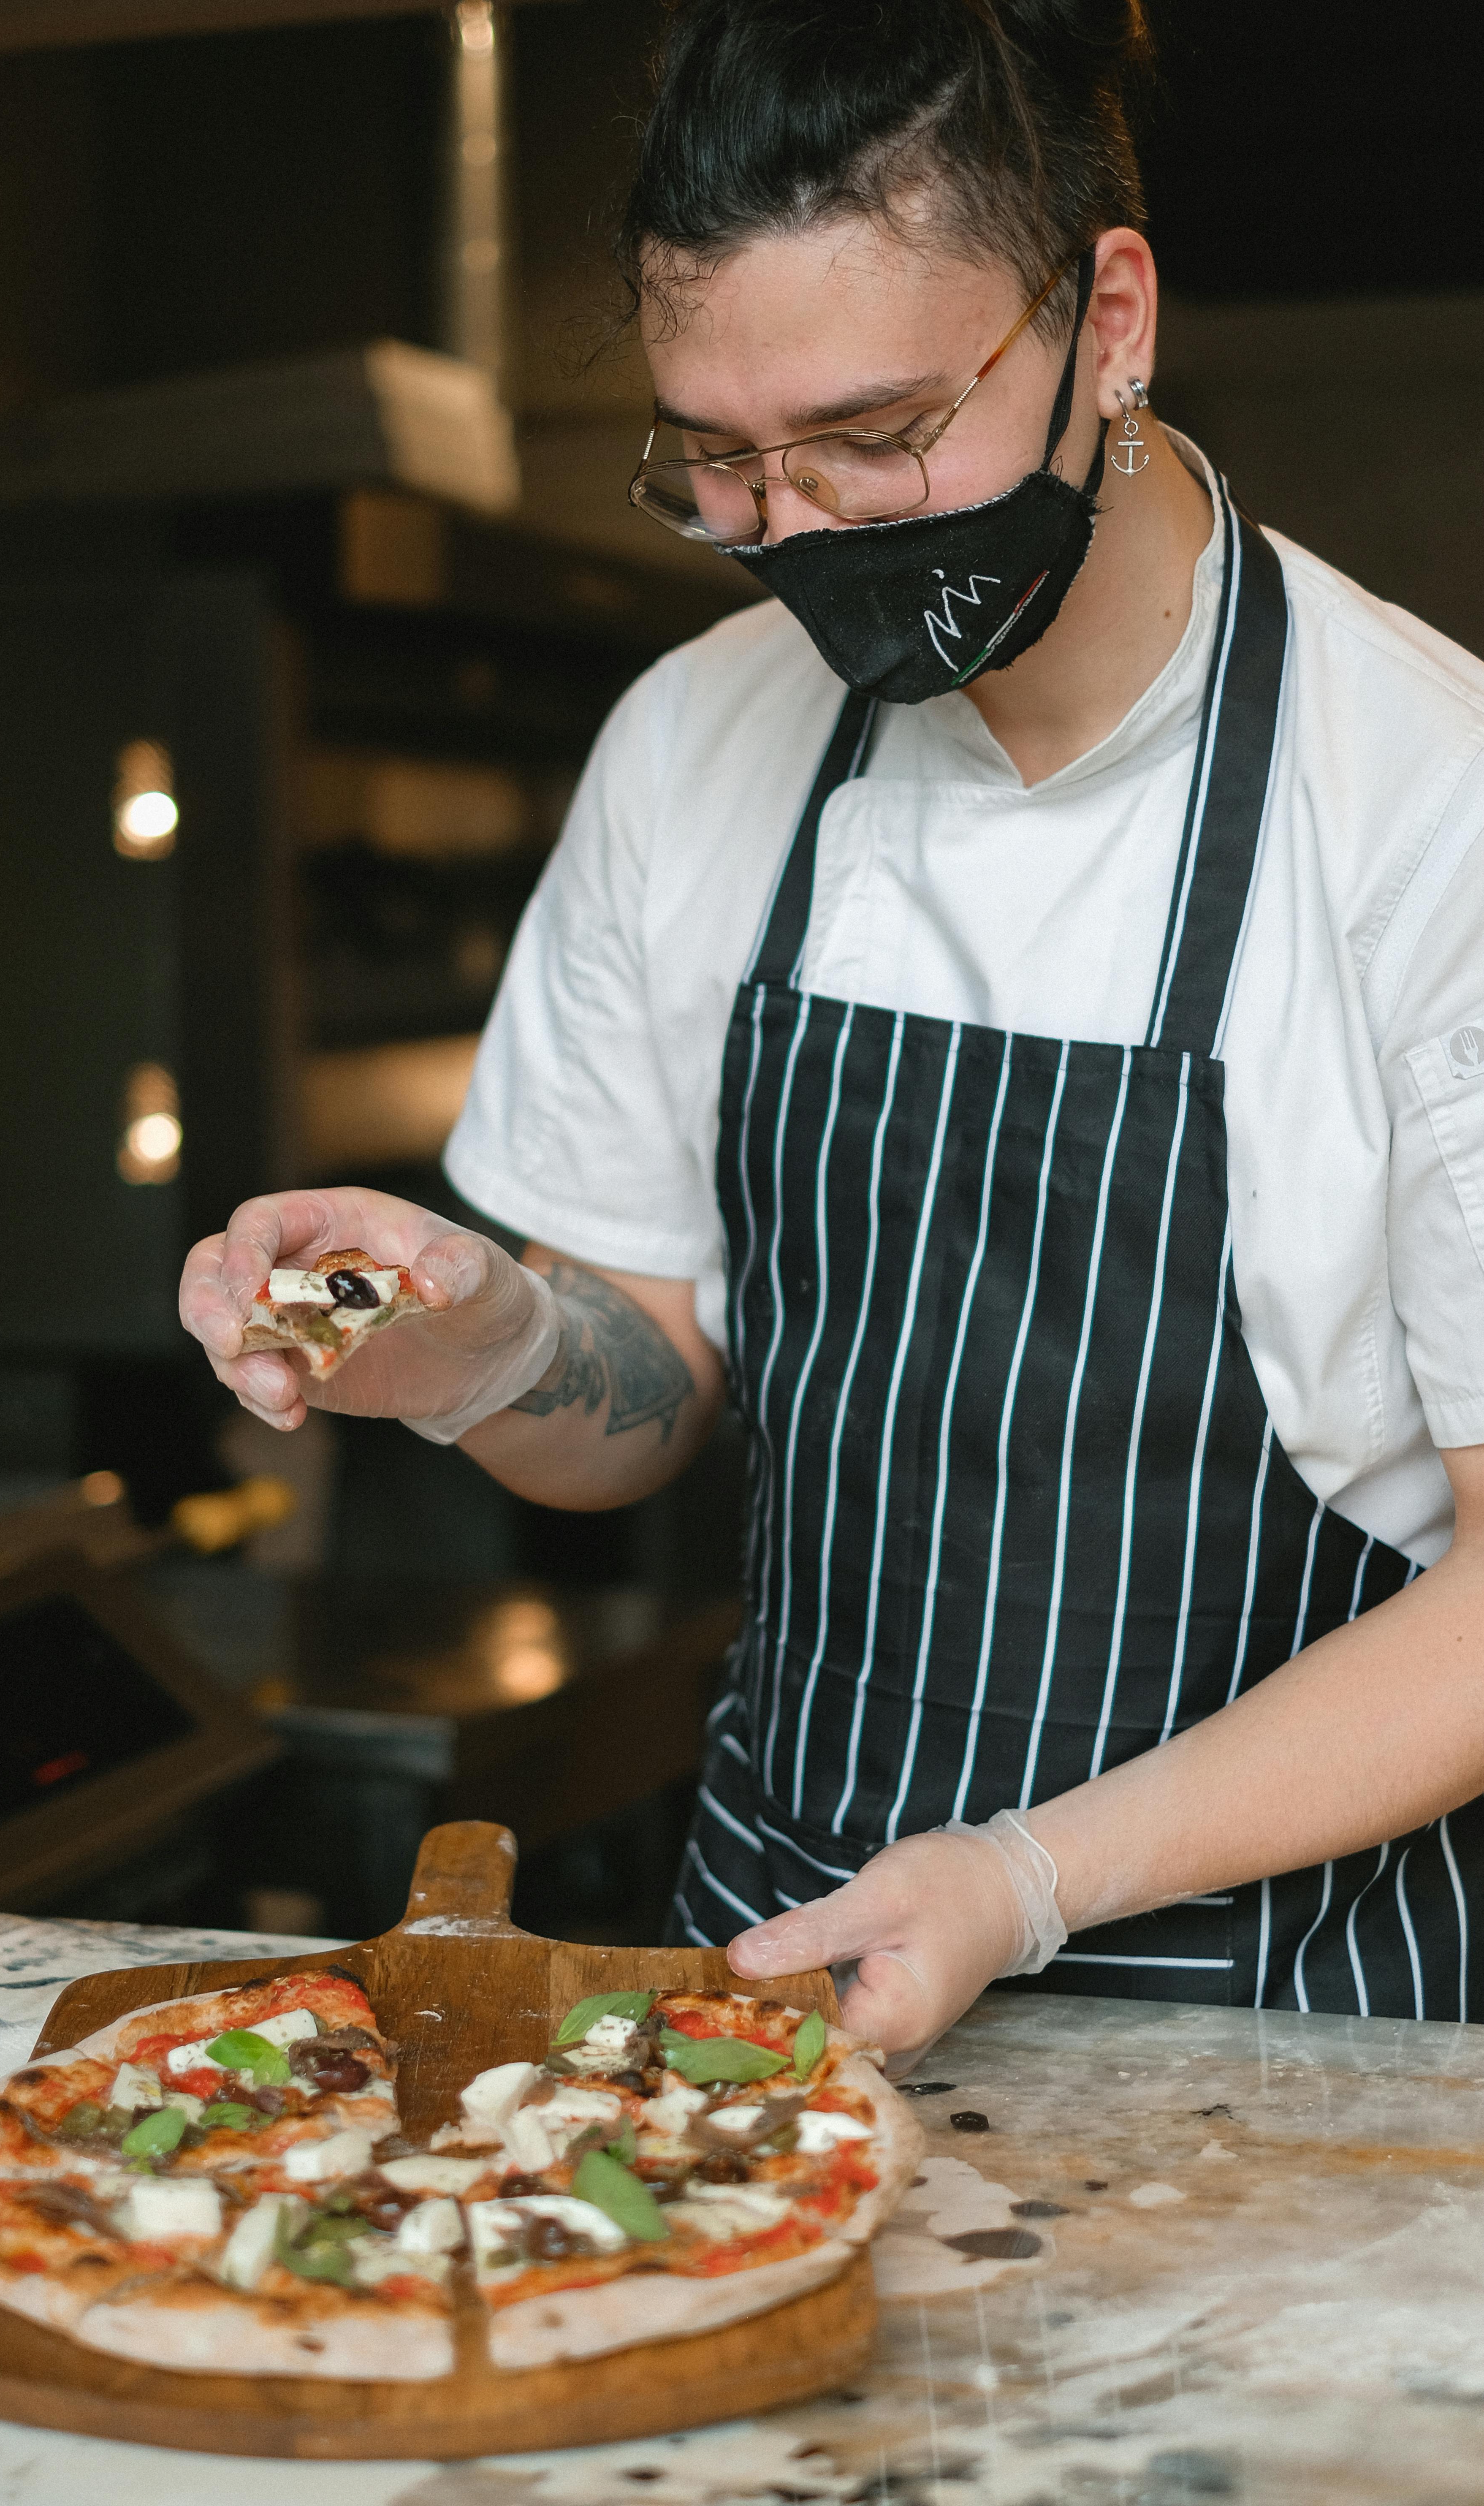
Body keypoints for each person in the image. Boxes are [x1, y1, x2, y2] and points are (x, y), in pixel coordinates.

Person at [182, 0, 1484, 2065]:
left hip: (1277, 2020)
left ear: (1111, 318)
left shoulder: (1430, 814)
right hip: (776, 1972)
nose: (803, 525)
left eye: (877, 434)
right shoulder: (695, 742)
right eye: (722, 455)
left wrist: (1027, 1875)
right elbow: (648, 1382)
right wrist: (479, 1342)